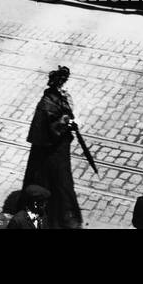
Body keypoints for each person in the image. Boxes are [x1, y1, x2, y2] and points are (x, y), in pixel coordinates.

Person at [22, 67, 83, 229]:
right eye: (64, 83)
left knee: (62, 180)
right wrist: (65, 122)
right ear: (59, 83)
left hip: (59, 147)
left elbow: (63, 113)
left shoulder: (58, 97)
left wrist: (66, 120)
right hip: (50, 150)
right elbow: (48, 128)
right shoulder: (46, 103)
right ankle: (59, 217)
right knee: (59, 181)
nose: (65, 86)